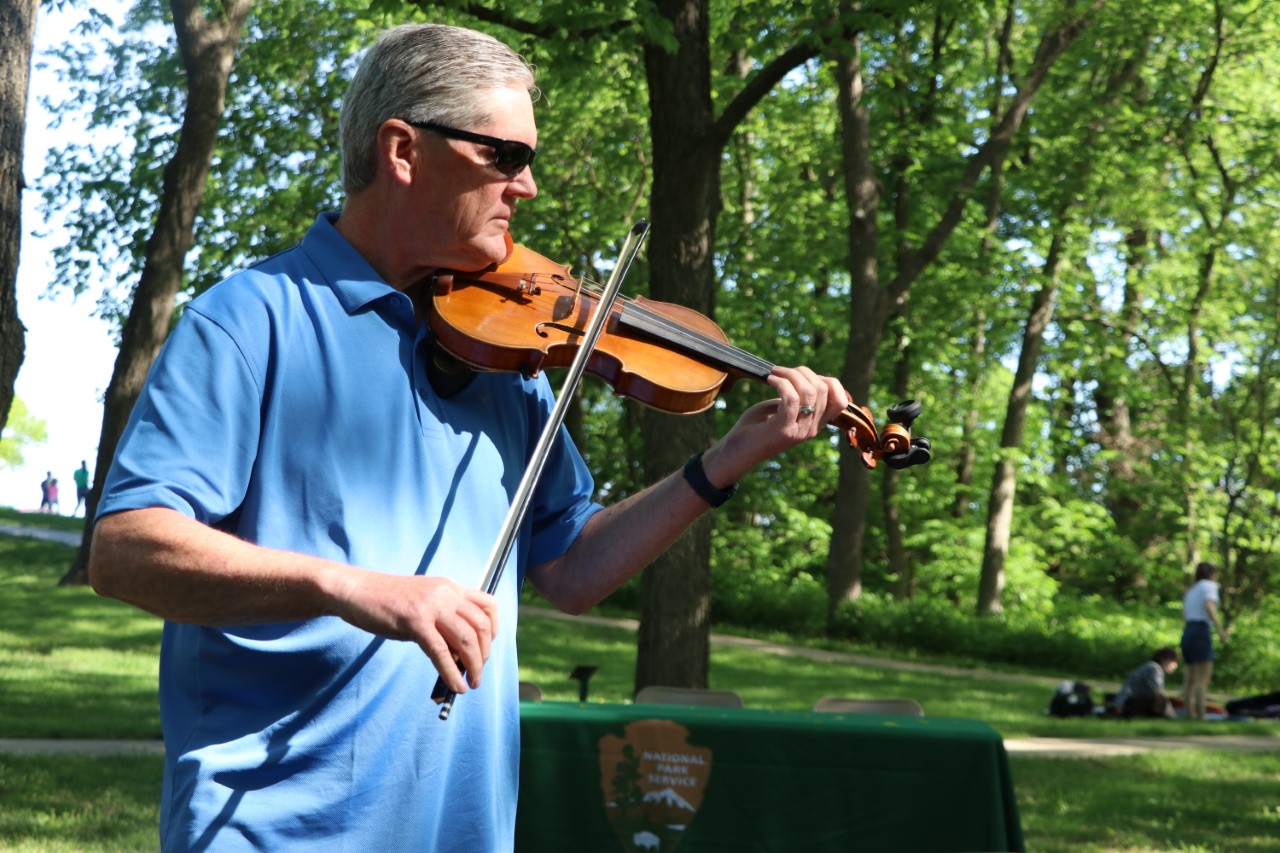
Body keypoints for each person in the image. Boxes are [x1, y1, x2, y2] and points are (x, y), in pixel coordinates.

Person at [86, 23, 856, 852]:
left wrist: (726, 460)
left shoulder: (504, 356)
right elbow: (126, 550)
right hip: (272, 831)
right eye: (505, 156)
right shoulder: (249, 322)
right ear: (403, 150)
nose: (528, 186)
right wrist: (351, 587)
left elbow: (571, 567)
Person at [1181, 561, 1229, 720]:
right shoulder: (1209, 586)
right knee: (1202, 678)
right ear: (1212, 574)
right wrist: (1220, 629)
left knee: (1190, 678)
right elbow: (1209, 606)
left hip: (1188, 630)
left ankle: (1189, 713)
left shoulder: (1191, 589)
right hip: (1200, 630)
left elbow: (1184, 615)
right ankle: (1201, 714)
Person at [1113, 646, 1179, 719]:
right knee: (1161, 697)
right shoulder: (1155, 668)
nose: (1175, 665)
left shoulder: (1152, 667)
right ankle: (1157, 717)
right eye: (1173, 661)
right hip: (1132, 701)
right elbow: (1158, 691)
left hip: (1129, 700)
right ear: (1162, 659)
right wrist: (1172, 714)